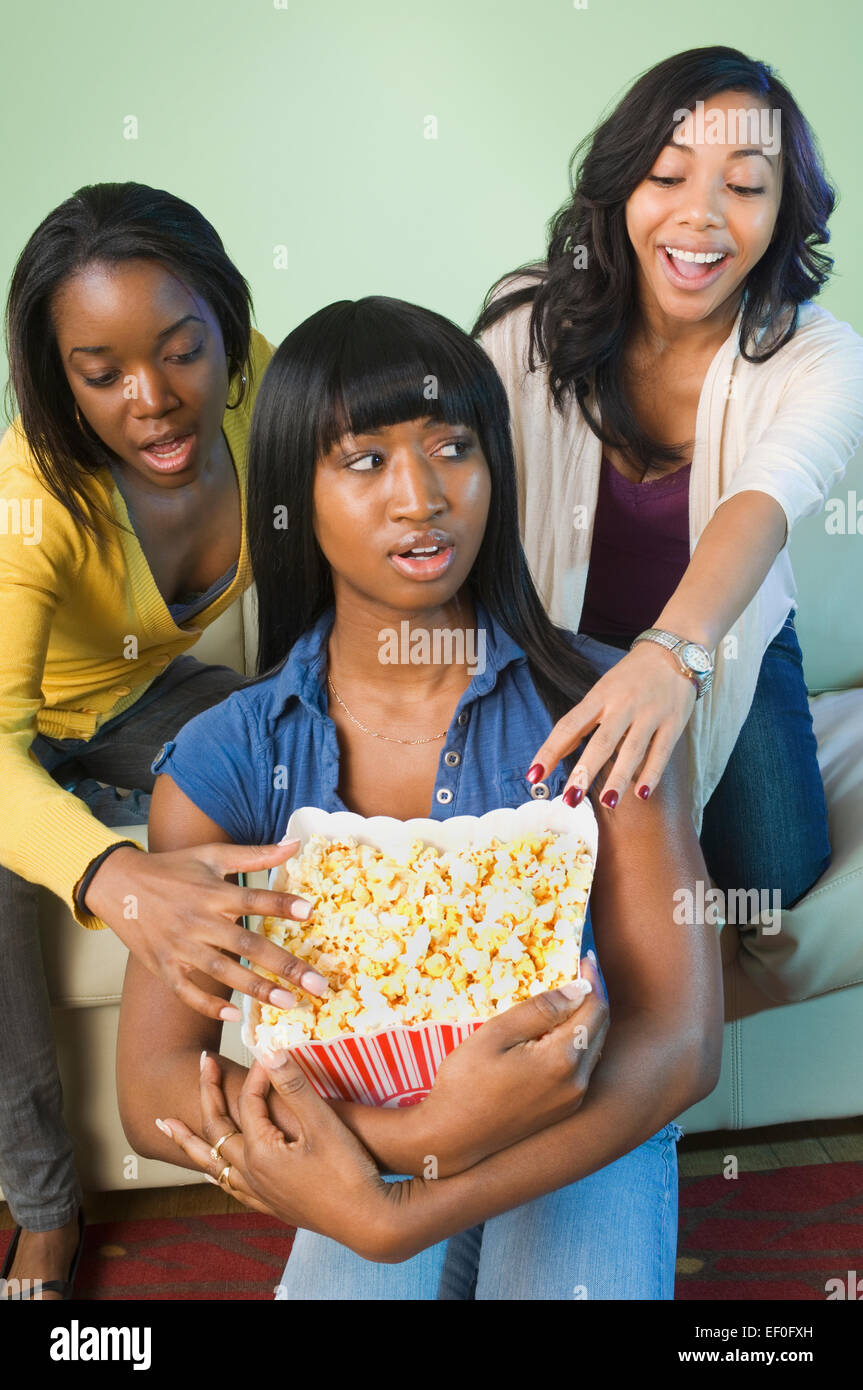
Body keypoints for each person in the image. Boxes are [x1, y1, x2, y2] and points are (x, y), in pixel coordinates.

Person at [118, 296, 722, 1300]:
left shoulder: (598, 707)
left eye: (451, 449)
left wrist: (406, 1211)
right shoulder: (223, 760)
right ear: (290, 496)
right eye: (363, 462)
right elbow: (149, 1087)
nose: (420, 496)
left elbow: (676, 1042)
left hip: (586, 1118)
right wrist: (414, 1141)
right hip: (361, 1135)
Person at [0, 184, 332, 1298]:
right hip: (17, 724)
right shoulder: (32, 497)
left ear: (225, 328)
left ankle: (348, 1100)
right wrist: (116, 877)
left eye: (182, 349)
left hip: (138, 696)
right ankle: (46, 1206)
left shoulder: (266, 393)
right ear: (60, 381)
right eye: (102, 375)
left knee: (310, 778)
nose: (153, 400)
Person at [473, 46, 863, 913]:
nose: (700, 219)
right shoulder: (527, 324)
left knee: (768, 887)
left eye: (744, 186)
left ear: (780, 211)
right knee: (539, 881)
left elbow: (764, 499)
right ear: (622, 188)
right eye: (668, 176)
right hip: (544, 641)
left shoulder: (818, 355)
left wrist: (670, 654)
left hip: (720, 645)